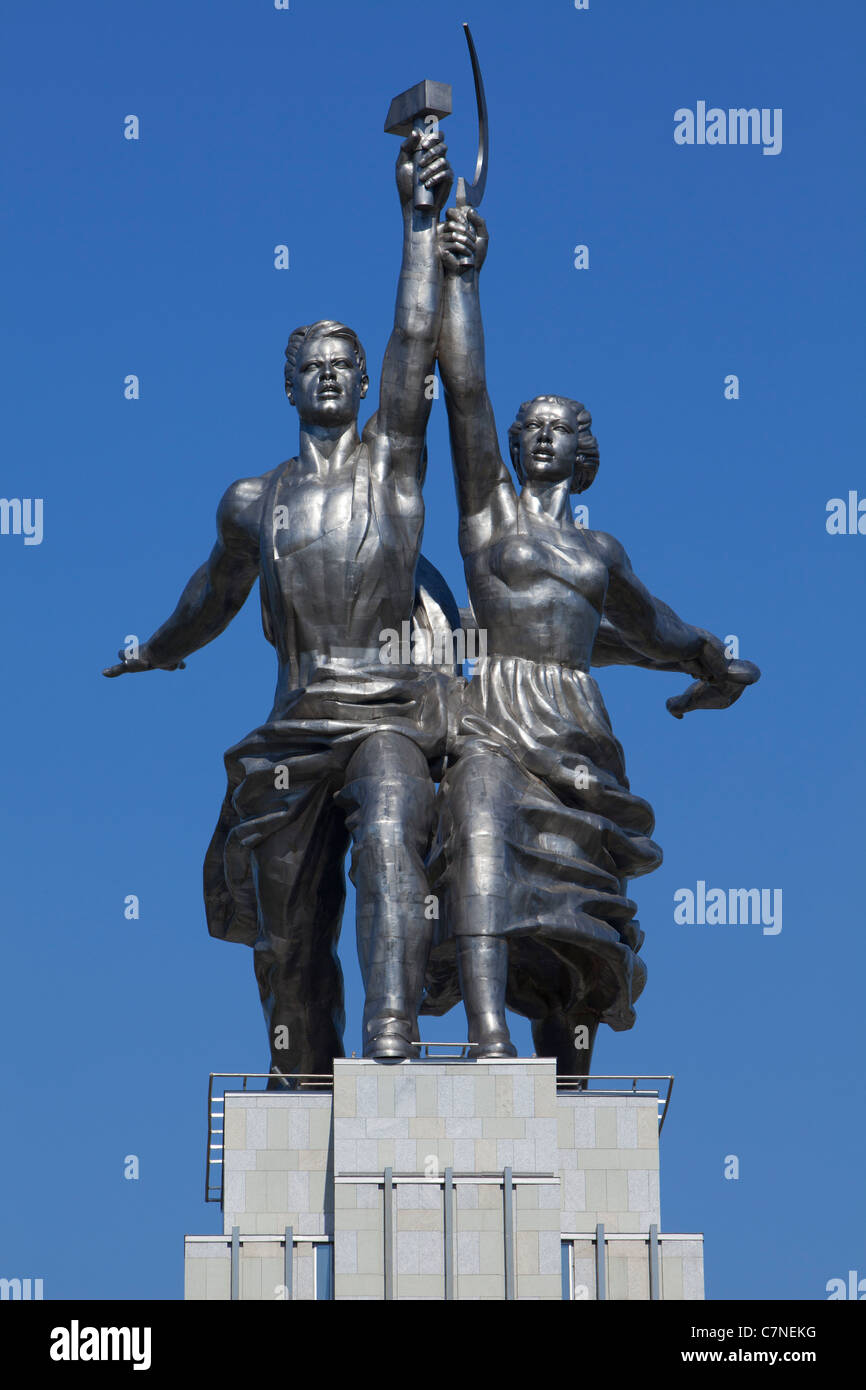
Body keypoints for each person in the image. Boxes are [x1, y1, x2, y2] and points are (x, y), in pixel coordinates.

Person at [104, 131, 457, 1078]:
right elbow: (211, 596)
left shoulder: (396, 465)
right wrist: (159, 649)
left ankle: (393, 1037)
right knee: (287, 937)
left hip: (387, 713)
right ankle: (301, 1073)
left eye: (348, 362)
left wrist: (416, 223)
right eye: (316, 364)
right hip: (295, 726)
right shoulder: (252, 502)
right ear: (290, 384)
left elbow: (415, 342)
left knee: (390, 832)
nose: (337, 373)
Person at [424, 205, 758, 1075]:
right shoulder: (488, 517)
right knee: (480, 829)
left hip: (577, 725)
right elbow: (464, 387)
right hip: (495, 709)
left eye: (557, 426)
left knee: (577, 896)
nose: (537, 431)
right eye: (528, 423)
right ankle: (485, 1033)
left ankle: (567, 1065)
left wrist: (709, 659)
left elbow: (656, 628)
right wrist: (463, 276)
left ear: (583, 455)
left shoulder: (602, 552)